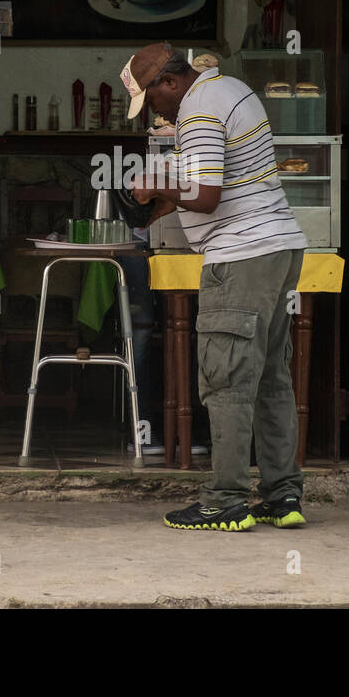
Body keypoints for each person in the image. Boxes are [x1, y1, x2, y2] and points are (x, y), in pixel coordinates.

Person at [120, 42, 308, 532]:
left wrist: (153, 188)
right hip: (279, 248)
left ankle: (224, 501)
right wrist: (168, 197)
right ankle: (282, 496)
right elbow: (226, 180)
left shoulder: (198, 109)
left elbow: (206, 196)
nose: (155, 113)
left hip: (241, 256)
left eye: (153, 101)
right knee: (270, 378)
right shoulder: (231, 89)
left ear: (169, 82)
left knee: (226, 380)